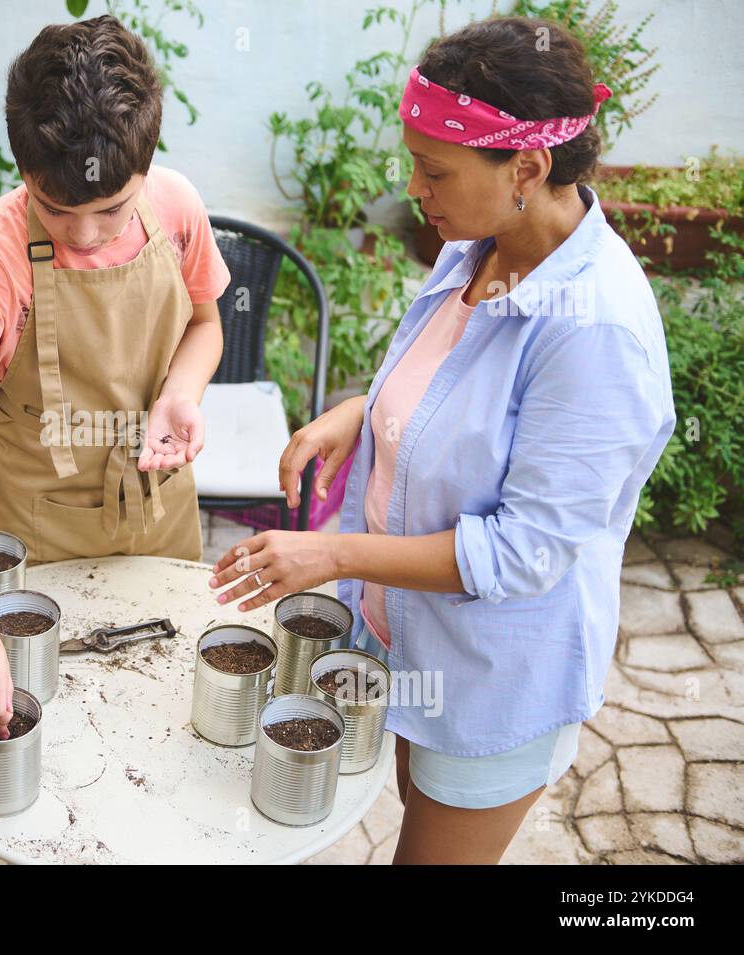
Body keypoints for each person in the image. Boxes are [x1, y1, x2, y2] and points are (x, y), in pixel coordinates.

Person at [209, 16, 675, 863]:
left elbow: (523, 551)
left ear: (526, 168)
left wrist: (338, 556)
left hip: (490, 680)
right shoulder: (477, 244)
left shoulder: (597, 331)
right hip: (410, 637)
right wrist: (359, 412)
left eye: (435, 170)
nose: (417, 190)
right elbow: (446, 383)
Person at [0, 14, 231, 738]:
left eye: (111, 211)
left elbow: (206, 325)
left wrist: (179, 393)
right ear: (25, 171)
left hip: (159, 513)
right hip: (38, 535)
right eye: (57, 210)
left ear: (146, 169)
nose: (84, 234)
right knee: (54, 728)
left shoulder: (176, 208)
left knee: (159, 719)